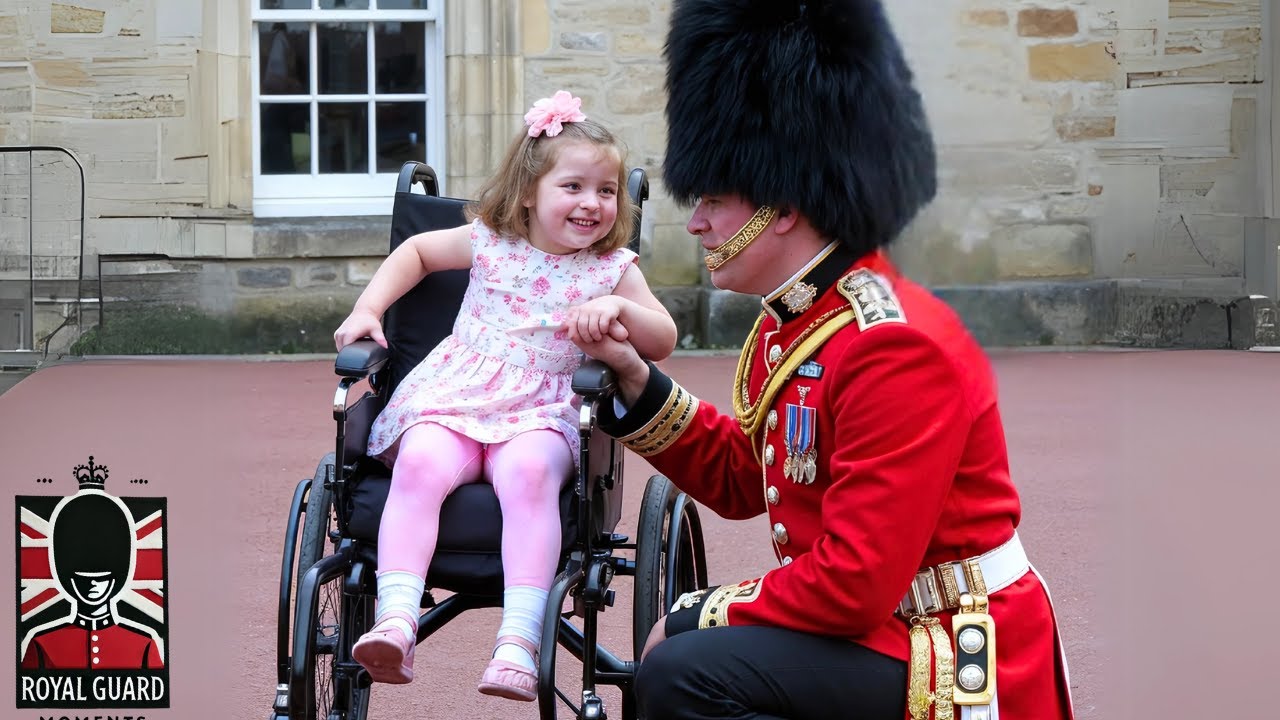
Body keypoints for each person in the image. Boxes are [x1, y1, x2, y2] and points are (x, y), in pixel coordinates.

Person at [571, 2, 1075, 719]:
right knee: (684, 663)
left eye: (713, 198)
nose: (696, 221)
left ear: (780, 206)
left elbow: (855, 583)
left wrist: (696, 613)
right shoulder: (801, 323)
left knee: (686, 671)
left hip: (946, 646)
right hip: (883, 629)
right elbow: (750, 479)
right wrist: (636, 380)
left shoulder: (890, 344)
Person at [331, 90, 677, 702]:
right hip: (458, 395)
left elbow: (664, 339)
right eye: (572, 187)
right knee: (420, 462)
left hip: (543, 410)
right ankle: (396, 617)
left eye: (606, 190)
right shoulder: (491, 240)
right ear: (527, 192)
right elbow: (415, 251)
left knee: (529, 475)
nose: (591, 203)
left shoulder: (611, 269)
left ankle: (518, 641)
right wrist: (368, 308)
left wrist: (620, 308)